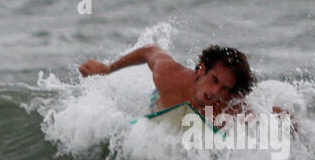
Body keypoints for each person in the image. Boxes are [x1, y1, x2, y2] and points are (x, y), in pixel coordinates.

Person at [79, 44, 258, 120]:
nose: (214, 92)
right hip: (158, 104)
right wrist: (107, 69)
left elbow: (264, 115)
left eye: (224, 88)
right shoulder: (170, 75)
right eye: (214, 80)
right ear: (202, 70)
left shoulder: (228, 105)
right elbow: (150, 51)